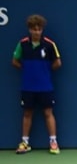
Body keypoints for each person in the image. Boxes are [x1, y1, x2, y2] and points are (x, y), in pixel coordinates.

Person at [11, 14, 61, 155]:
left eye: (39, 29)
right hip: (28, 87)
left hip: (45, 86)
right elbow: (14, 61)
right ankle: (25, 142)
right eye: (34, 29)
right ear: (30, 30)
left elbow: (58, 62)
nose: (36, 32)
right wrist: (27, 70)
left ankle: (53, 142)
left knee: (48, 113)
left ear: (42, 30)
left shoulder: (50, 45)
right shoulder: (22, 44)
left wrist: (44, 71)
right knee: (27, 113)